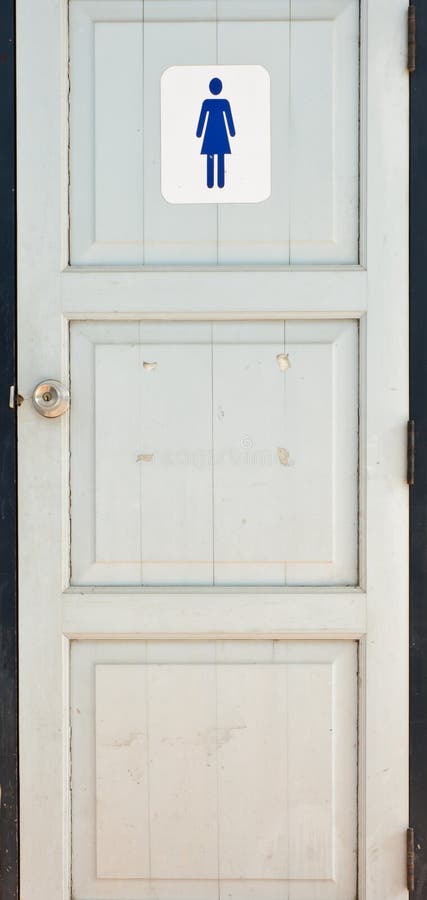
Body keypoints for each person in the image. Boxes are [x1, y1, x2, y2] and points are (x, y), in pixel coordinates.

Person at [196, 77, 235, 189]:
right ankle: (219, 183)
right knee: (220, 157)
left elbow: (202, 119)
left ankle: (211, 183)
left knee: (211, 157)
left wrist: (199, 133)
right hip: (220, 133)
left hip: (211, 133)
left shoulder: (208, 103)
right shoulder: (223, 103)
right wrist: (232, 132)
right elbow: (229, 119)